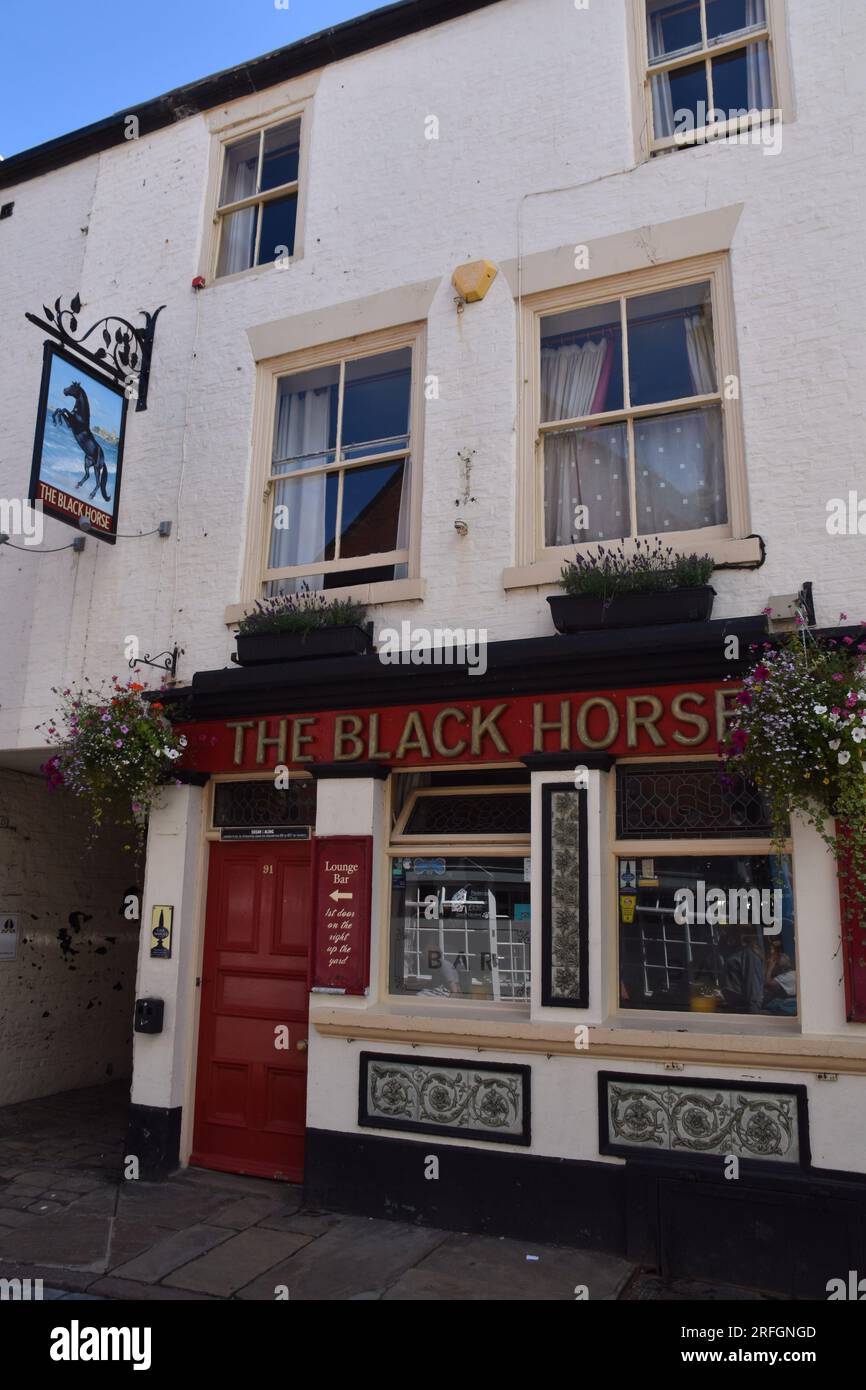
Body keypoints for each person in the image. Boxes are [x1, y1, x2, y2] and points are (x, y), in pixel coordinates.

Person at [722, 930, 765, 1014]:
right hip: (736, 1007)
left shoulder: (749, 954)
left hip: (744, 1008)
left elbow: (752, 983)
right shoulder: (738, 952)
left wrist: (753, 1011)